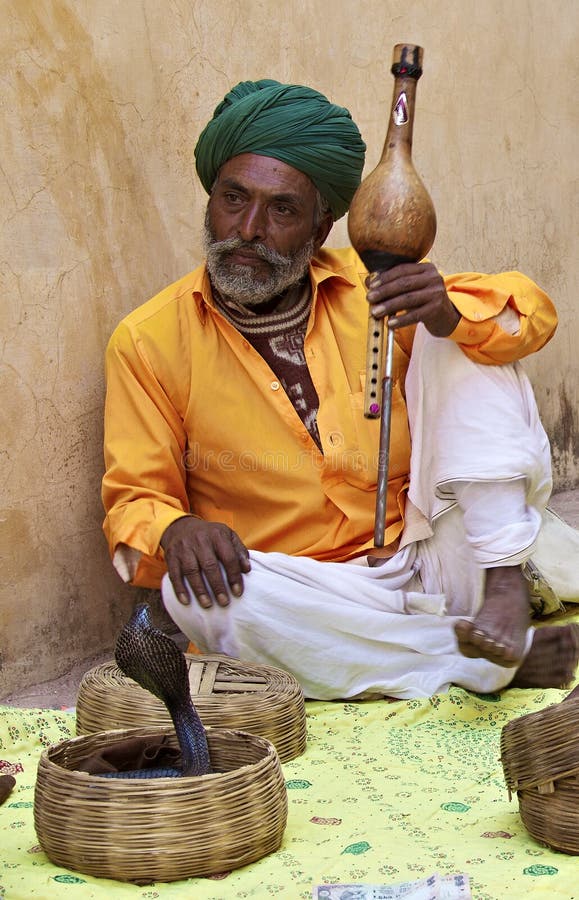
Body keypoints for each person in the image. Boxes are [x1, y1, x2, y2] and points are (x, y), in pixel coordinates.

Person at [102, 79, 579, 701]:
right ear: (211, 199)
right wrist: (174, 528)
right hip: (309, 593)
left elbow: (528, 316)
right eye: (232, 199)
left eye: (281, 210)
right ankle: (471, 660)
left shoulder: (373, 287)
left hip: (438, 554)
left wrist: (449, 317)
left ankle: (502, 593)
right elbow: (133, 502)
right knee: (196, 601)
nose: (247, 229)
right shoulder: (148, 341)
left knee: (457, 331)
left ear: (323, 224)